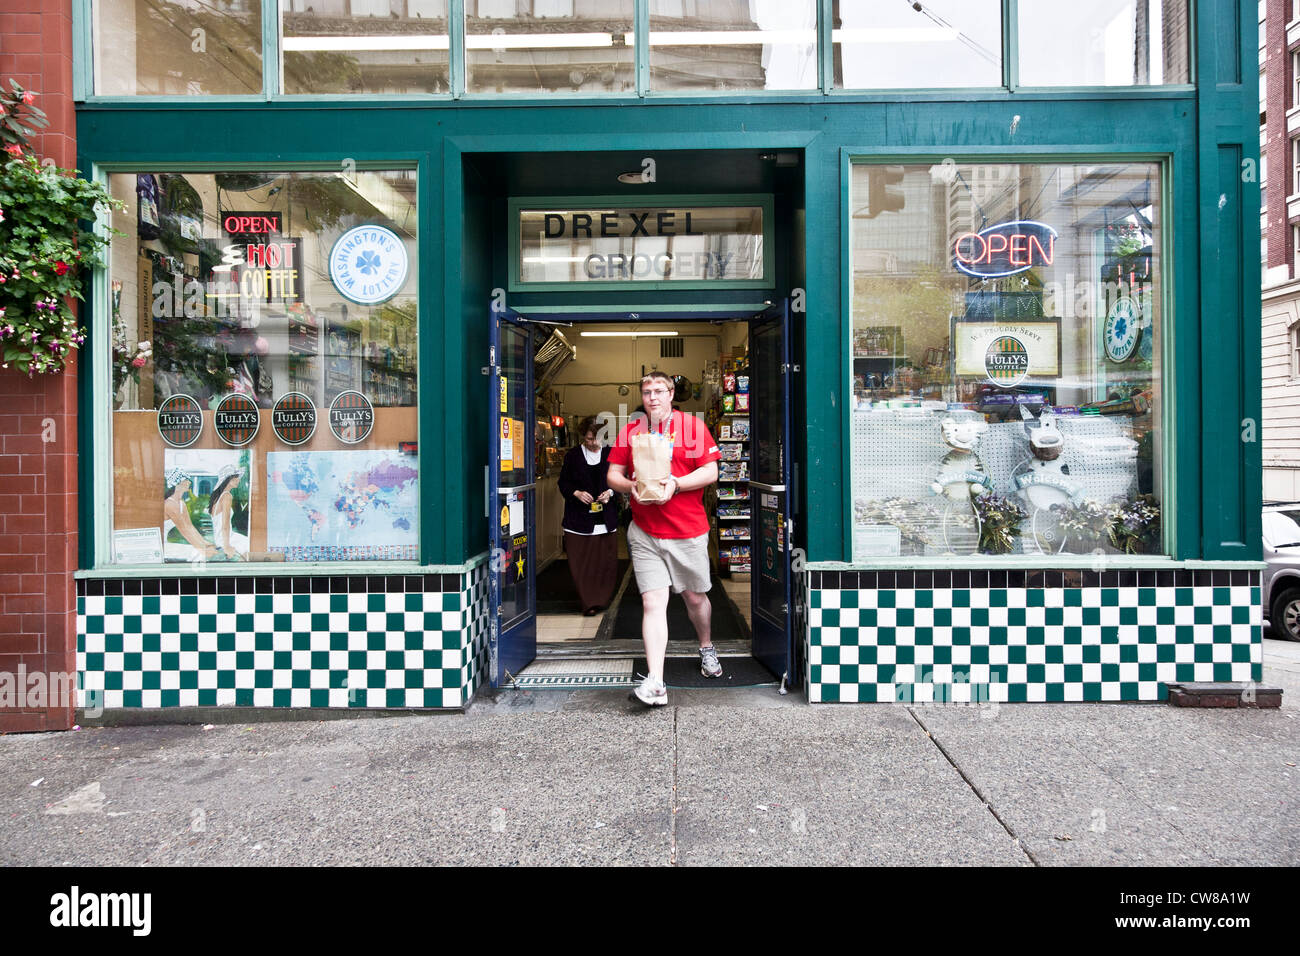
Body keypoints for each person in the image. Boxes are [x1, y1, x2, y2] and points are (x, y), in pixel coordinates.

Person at [606, 371, 723, 707]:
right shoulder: (631, 431)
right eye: (647, 392)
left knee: (695, 600)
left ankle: (706, 646)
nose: (653, 397)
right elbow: (613, 474)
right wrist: (632, 488)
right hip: (644, 531)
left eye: (659, 391)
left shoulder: (693, 427)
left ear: (672, 393)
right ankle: (656, 681)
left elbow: (711, 472)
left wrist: (675, 484)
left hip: (686, 531)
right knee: (652, 603)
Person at [557, 416, 621, 615]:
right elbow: (563, 483)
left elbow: (621, 481)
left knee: (605, 563)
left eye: (595, 439)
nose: (592, 443)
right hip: (578, 520)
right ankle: (588, 601)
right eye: (587, 439)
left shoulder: (612, 453)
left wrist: (610, 493)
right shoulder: (573, 456)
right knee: (581, 563)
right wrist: (576, 493)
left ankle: (601, 598)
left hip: (605, 518)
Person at [163, 467, 216, 562]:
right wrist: (202, 549)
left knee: (199, 553)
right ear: (179, 484)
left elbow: (189, 526)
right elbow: (184, 530)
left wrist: (204, 543)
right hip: (163, 545)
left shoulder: (181, 503)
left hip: (167, 544)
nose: (189, 482)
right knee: (196, 555)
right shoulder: (170, 504)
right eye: (187, 480)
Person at [207, 463, 244, 560]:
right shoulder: (227, 496)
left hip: (219, 538)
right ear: (228, 480)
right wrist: (227, 546)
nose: (238, 480)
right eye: (235, 478)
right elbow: (225, 525)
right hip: (226, 539)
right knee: (250, 546)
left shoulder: (217, 497)